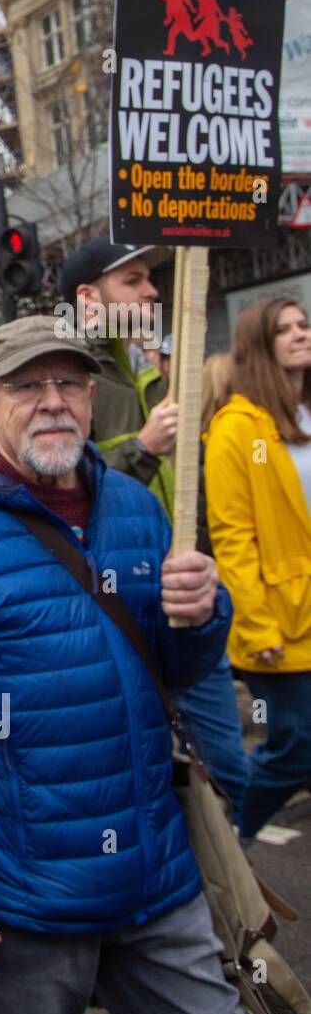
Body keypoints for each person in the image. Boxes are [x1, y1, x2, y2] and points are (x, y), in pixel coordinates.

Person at [0, 316, 242, 1014]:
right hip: (22, 899)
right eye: (26, 384)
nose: (52, 400)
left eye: (68, 381)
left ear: (92, 396)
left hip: (154, 871)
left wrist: (203, 614)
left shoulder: (135, 507)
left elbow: (178, 667)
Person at [66, 238, 248, 815]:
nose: (151, 292)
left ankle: (222, 893)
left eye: (151, 280)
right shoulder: (66, 378)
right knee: (134, 790)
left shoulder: (145, 365)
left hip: (182, 598)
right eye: (135, 280)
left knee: (226, 778)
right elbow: (56, 494)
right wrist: (143, 449)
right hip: (115, 613)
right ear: (89, 298)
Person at [206, 299, 311, 840]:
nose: (300, 334)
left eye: (303, 324)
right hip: (281, 622)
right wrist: (256, 622)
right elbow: (233, 538)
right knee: (295, 748)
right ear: (258, 345)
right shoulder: (236, 427)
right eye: (284, 329)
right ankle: (236, 834)